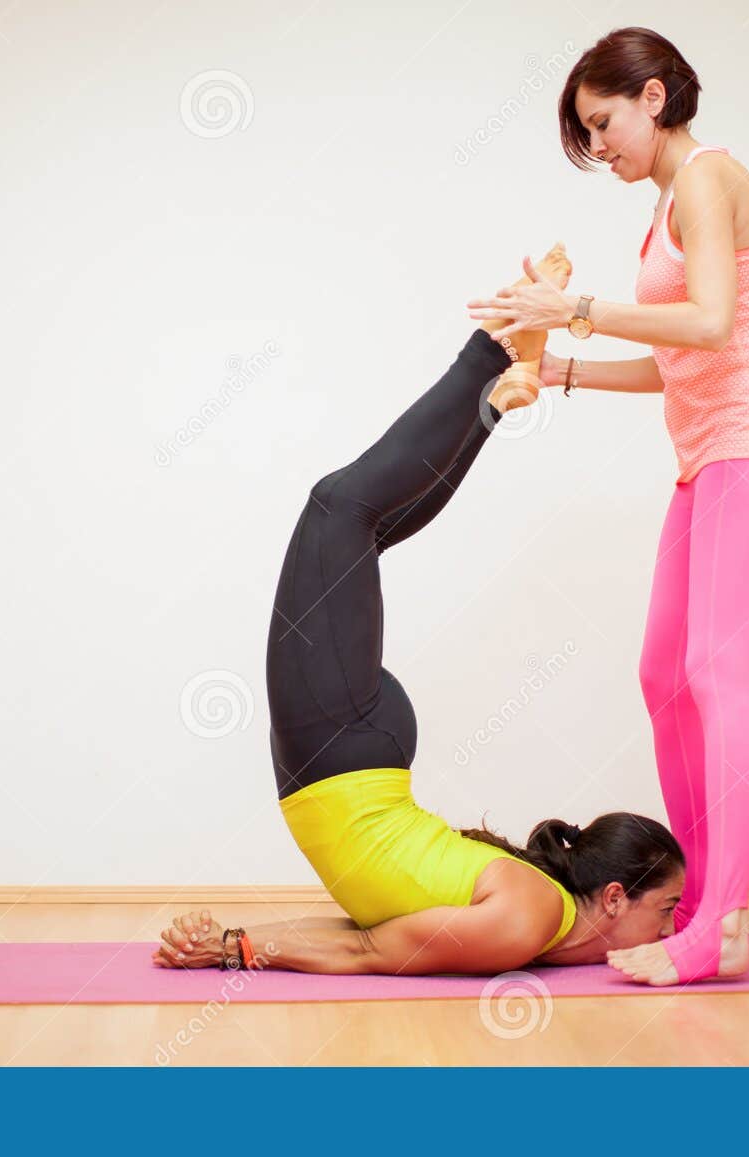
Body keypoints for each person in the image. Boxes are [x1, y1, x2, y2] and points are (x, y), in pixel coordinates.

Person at [153, 249, 684, 976]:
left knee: (354, 522)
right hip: (342, 755)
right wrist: (228, 948)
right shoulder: (528, 917)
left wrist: (233, 940)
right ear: (617, 898)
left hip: (358, 758)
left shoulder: (532, 915)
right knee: (340, 510)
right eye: (669, 909)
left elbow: (363, 928)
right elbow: (369, 948)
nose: (674, 928)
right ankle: (497, 351)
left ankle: (496, 392)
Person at [465, 28, 749, 986]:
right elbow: (678, 356)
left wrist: (573, 309)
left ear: (655, 96)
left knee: (717, 676)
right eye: (586, 132)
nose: (599, 148)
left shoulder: (710, 178)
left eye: (603, 123)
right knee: (663, 676)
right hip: (707, 457)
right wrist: (561, 369)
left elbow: (712, 321)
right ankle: (704, 903)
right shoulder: (667, 204)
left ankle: (722, 924)